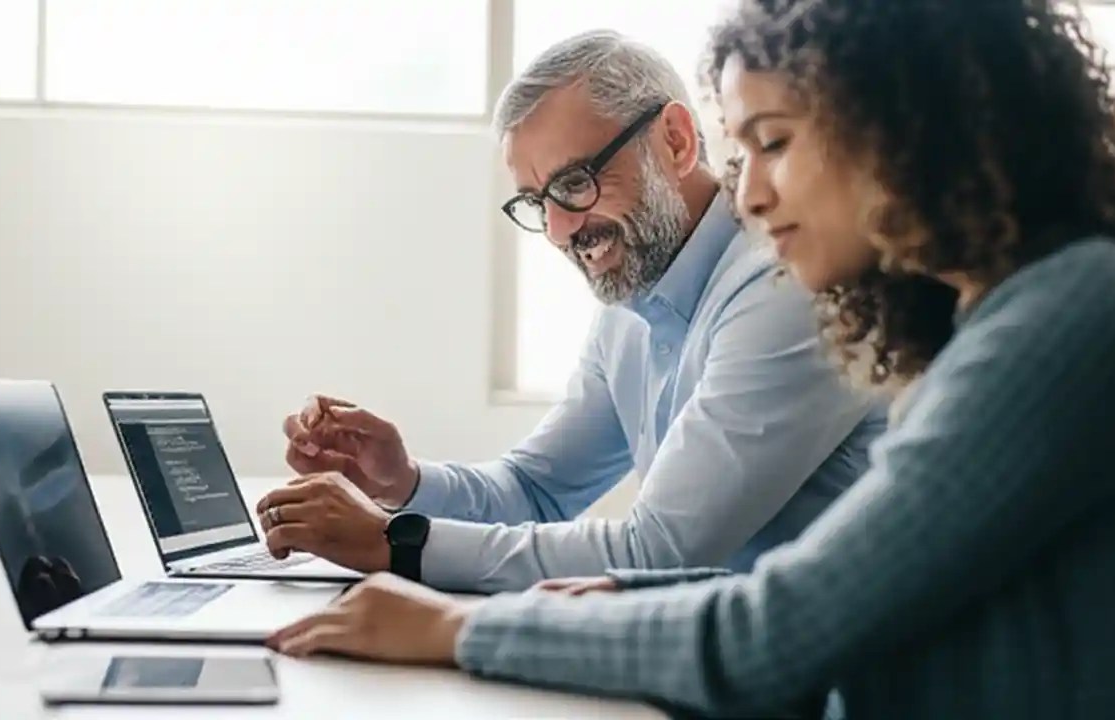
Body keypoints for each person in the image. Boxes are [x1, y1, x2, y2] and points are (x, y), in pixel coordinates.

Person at [260, 1, 1115, 718]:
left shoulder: (1067, 319)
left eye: (772, 143)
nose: (752, 191)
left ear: (903, 122)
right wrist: (585, 591)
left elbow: (777, 627)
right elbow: (798, 592)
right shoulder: (995, 320)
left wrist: (457, 625)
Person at [254, 30, 886, 594]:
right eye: (536, 202)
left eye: (575, 183)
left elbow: (658, 550)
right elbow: (536, 491)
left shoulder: (786, 283)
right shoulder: (631, 305)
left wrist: (393, 543)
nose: (558, 230)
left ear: (675, 140)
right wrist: (401, 482)